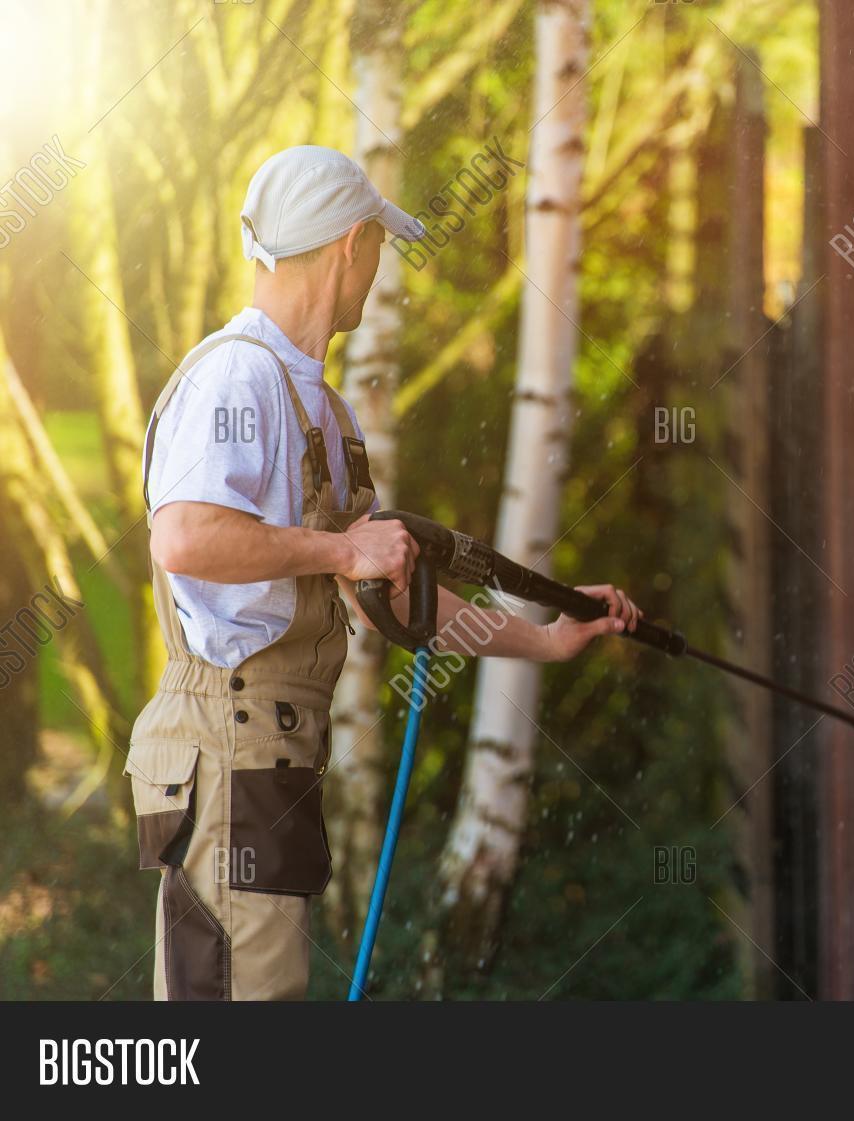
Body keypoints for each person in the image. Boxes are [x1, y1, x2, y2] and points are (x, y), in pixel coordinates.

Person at [125, 145, 639, 1000]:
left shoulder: (322, 408)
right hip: (226, 741)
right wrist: (338, 549)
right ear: (351, 244)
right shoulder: (237, 376)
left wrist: (546, 639)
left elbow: (391, 595)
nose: (377, 270)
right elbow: (184, 536)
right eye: (379, 250)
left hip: (269, 753)